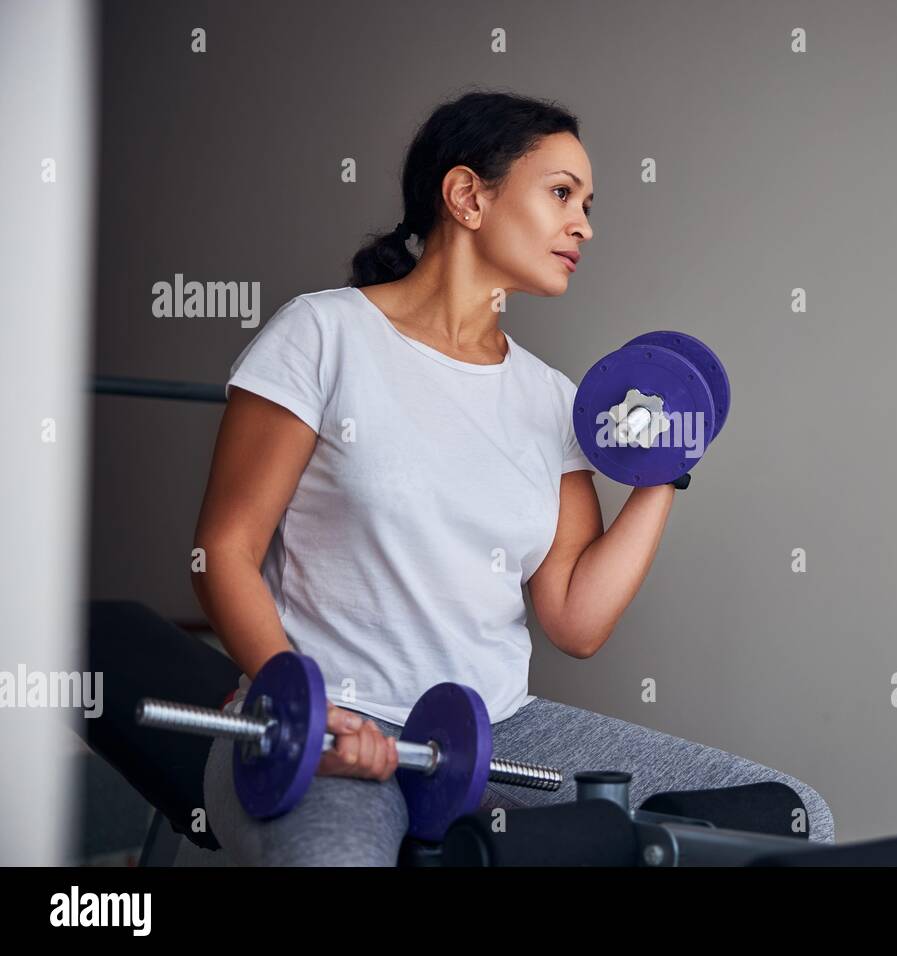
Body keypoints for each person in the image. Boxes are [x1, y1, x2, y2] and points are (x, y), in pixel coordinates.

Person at [197, 88, 834, 864]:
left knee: (790, 816)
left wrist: (662, 470)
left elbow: (575, 619)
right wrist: (309, 705)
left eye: (589, 204)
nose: (584, 226)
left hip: (491, 729)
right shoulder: (324, 333)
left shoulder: (551, 399)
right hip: (315, 720)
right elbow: (222, 552)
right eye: (562, 193)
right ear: (467, 195)